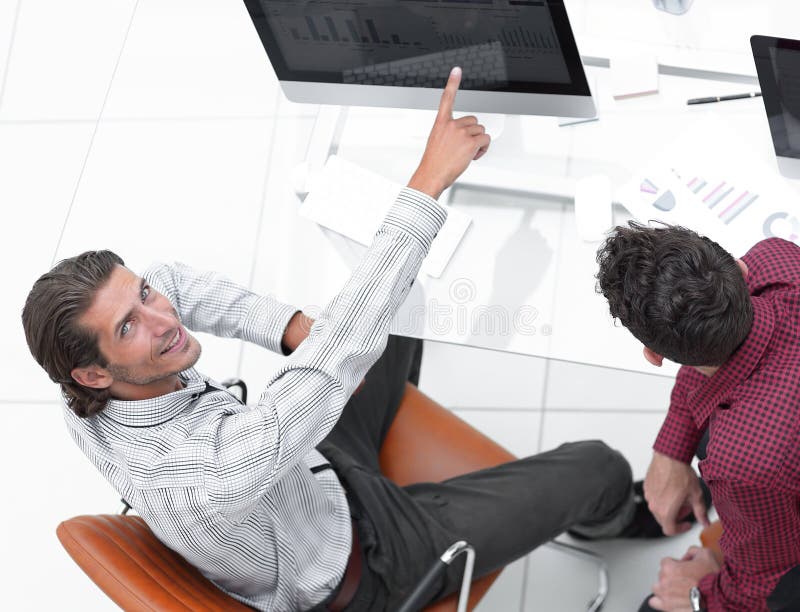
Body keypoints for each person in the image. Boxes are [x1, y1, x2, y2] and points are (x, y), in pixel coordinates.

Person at [24, 69, 639, 612]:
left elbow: (180, 285)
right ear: (92, 375)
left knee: (400, 307)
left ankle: (366, 408)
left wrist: (291, 329)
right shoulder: (205, 472)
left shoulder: (84, 382)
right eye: (129, 326)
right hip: (368, 564)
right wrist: (425, 185)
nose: (163, 319)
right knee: (599, 466)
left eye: (144, 296)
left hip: (307, 475)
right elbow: (327, 367)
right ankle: (616, 517)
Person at [596, 221, 800, 612]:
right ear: (741, 270)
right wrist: (671, 450)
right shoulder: (778, 259)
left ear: (653, 356)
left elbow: (766, 581)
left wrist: (701, 594)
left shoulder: (743, 462)